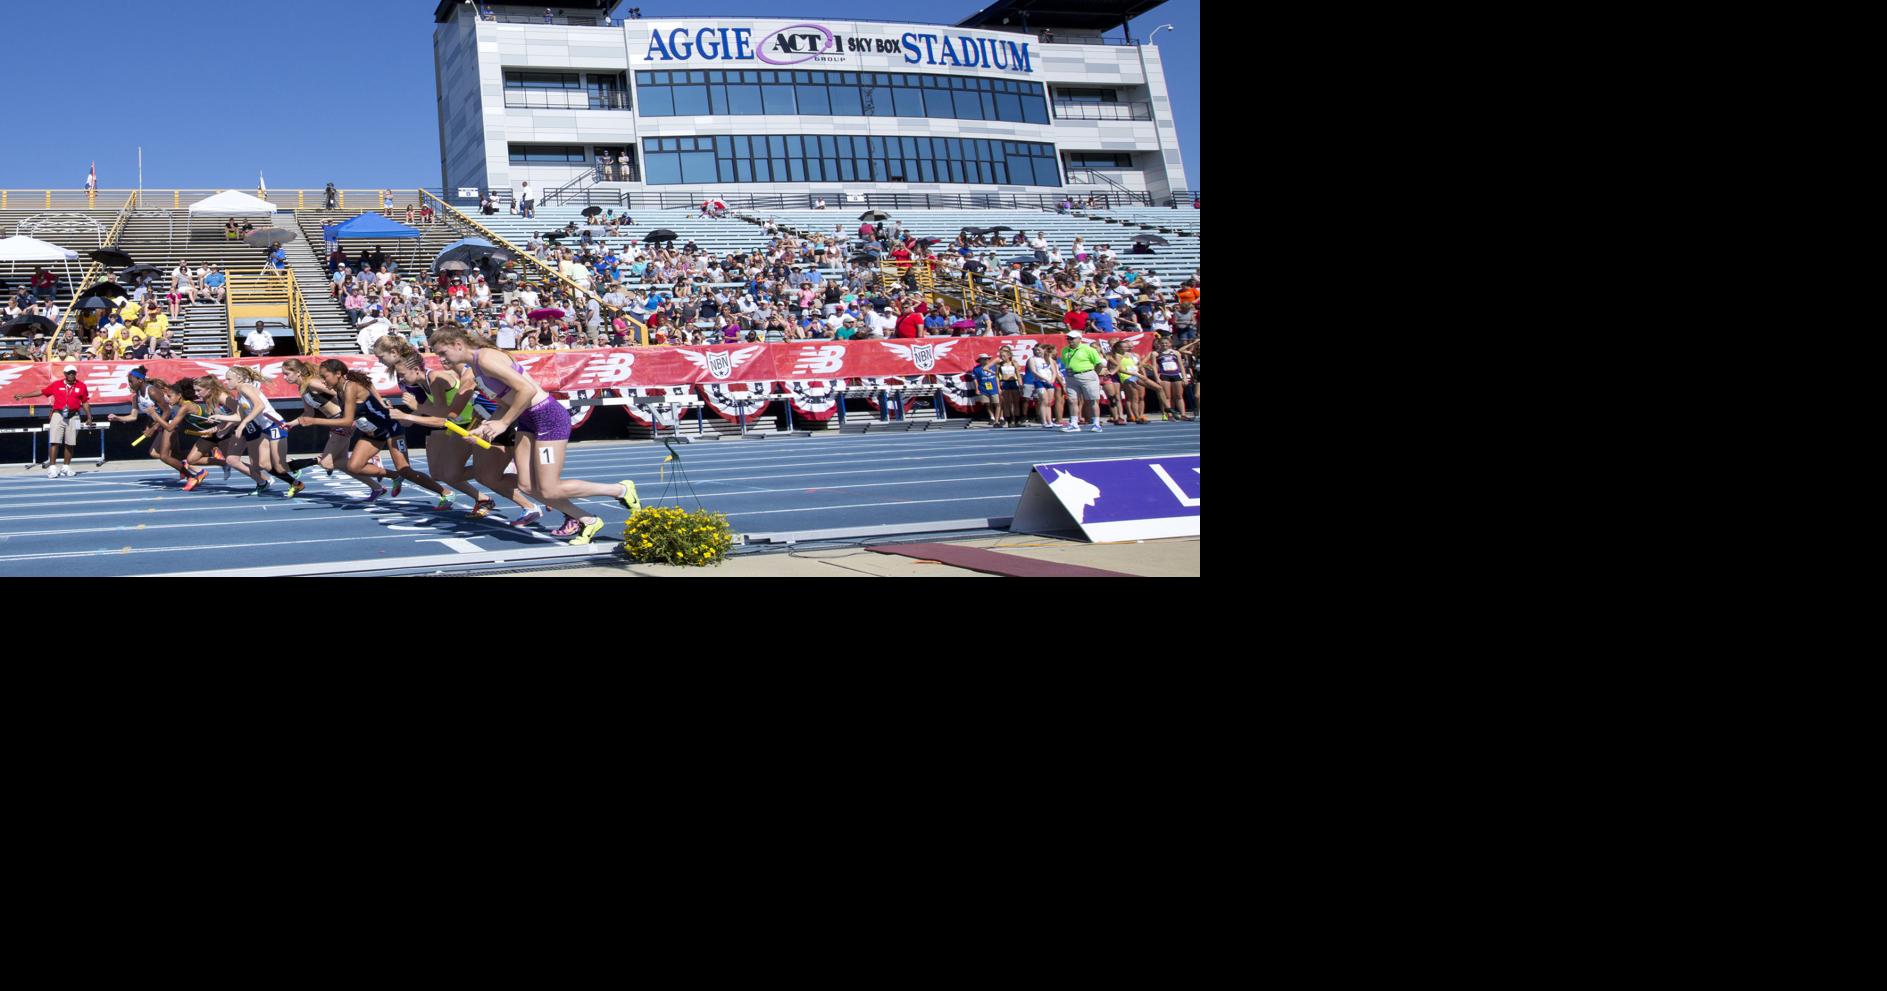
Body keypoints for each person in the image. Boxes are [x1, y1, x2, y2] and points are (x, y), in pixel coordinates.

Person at [430, 328, 638, 545]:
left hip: (547, 417)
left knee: (550, 488)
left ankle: (620, 490)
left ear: (457, 345)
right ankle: (587, 519)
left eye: (442, 353)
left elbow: (527, 390)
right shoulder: (475, 366)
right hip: (528, 420)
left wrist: (503, 423)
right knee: (527, 485)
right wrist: (486, 426)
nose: (441, 359)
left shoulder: (485, 358)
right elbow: (504, 403)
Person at [288, 359, 450, 504]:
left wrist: (314, 421)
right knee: (354, 466)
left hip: (391, 429)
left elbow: (347, 421)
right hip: (373, 433)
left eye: (325, 377)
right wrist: (378, 400)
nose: (323, 381)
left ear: (338, 374)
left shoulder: (350, 387)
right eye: (321, 377)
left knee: (405, 470)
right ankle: (394, 476)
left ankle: (445, 493)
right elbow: (367, 384)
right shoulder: (339, 390)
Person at [108, 368, 203, 486]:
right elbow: (133, 416)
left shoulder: (152, 391)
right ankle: (204, 456)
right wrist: (118, 418)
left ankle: (191, 476)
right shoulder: (136, 397)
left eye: (131, 381)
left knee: (164, 456)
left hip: (170, 422)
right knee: (173, 454)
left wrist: (153, 429)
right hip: (160, 423)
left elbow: (167, 411)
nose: (129, 384)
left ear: (140, 380)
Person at [224, 366, 304, 497]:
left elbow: (259, 406)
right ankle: (295, 483)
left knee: (280, 465)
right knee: (263, 464)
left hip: (274, 424)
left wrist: (242, 424)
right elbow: (240, 416)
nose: (226, 382)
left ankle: (309, 462)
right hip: (266, 427)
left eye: (228, 379)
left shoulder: (245, 387)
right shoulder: (239, 394)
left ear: (238, 378)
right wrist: (219, 417)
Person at [12, 365, 93, 477]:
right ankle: (52, 467)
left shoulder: (81, 386)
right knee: (55, 441)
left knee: (71, 443)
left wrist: (89, 417)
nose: (71, 375)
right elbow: (41, 391)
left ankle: (66, 467)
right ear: (64, 374)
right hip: (58, 414)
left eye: (73, 373)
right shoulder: (57, 384)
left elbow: (85, 402)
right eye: (69, 373)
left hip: (74, 415)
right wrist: (23, 395)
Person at [1059, 330, 1106, 433]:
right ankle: (1074, 423)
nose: (1069, 340)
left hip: (1087, 374)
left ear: (1079, 339)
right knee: (1072, 400)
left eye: (1072, 338)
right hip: (1071, 376)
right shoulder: (1065, 350)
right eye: (1068, 338)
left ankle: (1096, 424)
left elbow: (1099, 363)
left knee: (1092, 400)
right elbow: (1065, 363)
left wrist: (1094, 374)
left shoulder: (1088, 349)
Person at [970, 354, 1002, 427]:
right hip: (983, 388)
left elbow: (997, 377)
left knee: (997, 403)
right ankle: (992, 417)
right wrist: (977, 389)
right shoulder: (976, 369)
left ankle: (997, 420)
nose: (986, 360)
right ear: (980, 360)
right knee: (986, 403)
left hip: (994, 387)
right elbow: (975, 380)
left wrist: (999, 387)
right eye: (983, 359)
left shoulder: (994, 366)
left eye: (987, 358)